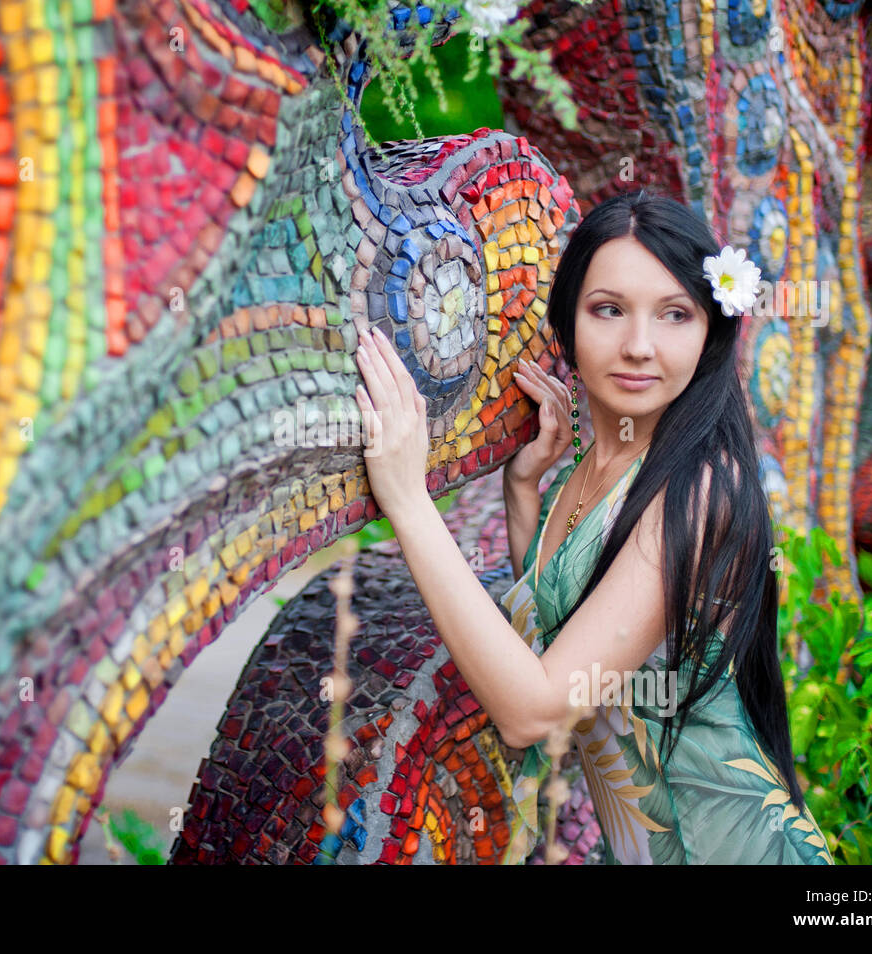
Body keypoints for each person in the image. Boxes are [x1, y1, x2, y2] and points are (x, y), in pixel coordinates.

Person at [352, 189, 832, 864]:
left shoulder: (695, 491)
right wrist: (523, 492)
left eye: (674, 315)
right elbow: (562, 636)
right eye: (608, 310)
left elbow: (534, 711)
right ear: (568, 323)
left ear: (710, 332)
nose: (639, 346)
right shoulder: (599, 468)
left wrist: (407, 498)